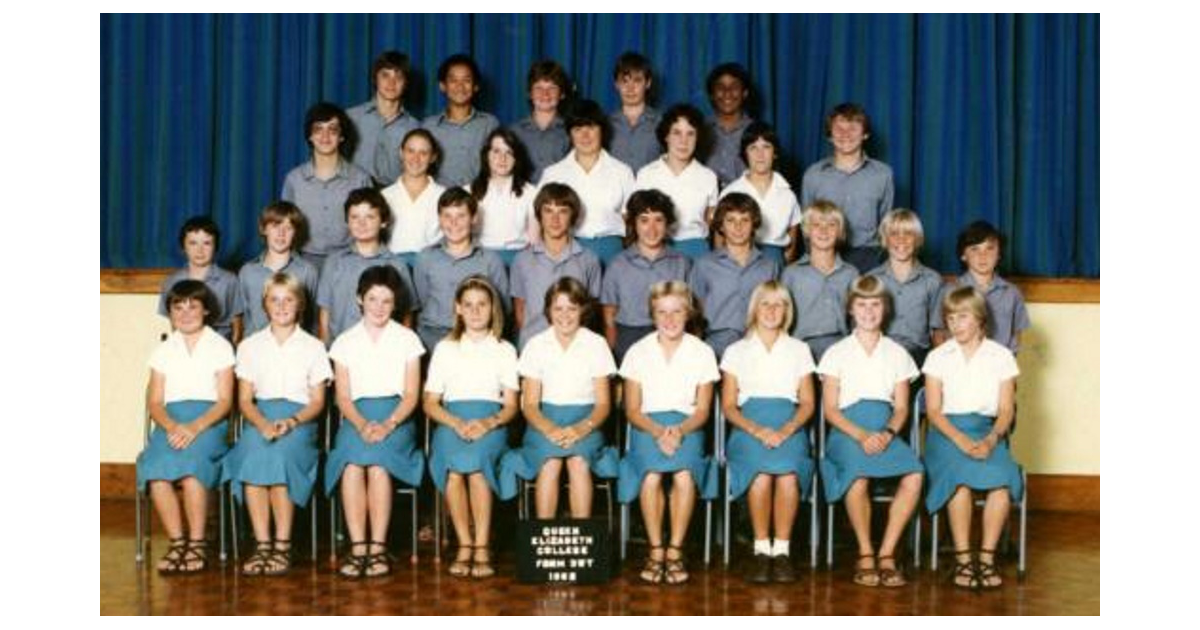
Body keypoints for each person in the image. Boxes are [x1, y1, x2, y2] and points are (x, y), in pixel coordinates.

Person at [817, 275, 924, 588]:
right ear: (851, 309)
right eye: (861, 305)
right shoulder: (836, 352)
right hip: (847, 432)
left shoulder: (897, 353)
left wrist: (887, 434)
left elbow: (901, 408)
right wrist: (862, 435)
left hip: (885, 429)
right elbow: (830, 410)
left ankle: (887, 553)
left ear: (885, 309)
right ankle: (865, 551)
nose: (868, 312)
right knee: (858, 473)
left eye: (875, 304)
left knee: (915, 473)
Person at [223, 273, 331, 576]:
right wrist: (262, 424)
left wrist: (292, 421)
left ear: (300, 305)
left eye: (289, 300)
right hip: (260, 418)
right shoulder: (250, 346)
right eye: (274, 300)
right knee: (254, 456)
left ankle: (282, 545)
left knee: (281, 457)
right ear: (265, 305)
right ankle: (263, 544)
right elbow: (245, 401)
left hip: (300, 420)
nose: (281, 306)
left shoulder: (313, 346)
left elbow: (317, 402)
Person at [324, 265, 427, 578]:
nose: (379, 307)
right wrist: (361, 424)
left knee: (379, 464)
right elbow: (343, 397)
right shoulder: (344, 341)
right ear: (360, 299)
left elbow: (412, 394)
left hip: (396, 417)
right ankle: (359, 548)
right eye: (372, 299)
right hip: (356, 418)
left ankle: (378, 548)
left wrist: (388, 424)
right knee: (353, 465)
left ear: (395, 303)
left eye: (386, 301)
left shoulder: (408, 339)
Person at [617, 281, 719, 585]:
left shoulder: (702, 352)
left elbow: (703, 410)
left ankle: (675, 550)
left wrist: (679, 431)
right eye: (662, 312)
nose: (670, 319)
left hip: (688, 426)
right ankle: (656, 550)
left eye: (677, 311)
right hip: (647, 426)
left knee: (684, 476)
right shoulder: (637, 352)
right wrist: (659, 432)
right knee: (650, 476)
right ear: (653, 315)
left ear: (688, 313)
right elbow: (632, 409)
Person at [922, 286, 1023, 589]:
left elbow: (1006, 410)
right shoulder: (938, 357)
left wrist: (992, 439)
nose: (955, 324)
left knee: (1000, 483)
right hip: (946, 434)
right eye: (950, 318)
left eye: (962, 316)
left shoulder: (1001, 356)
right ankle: (964, 560)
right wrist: (960, 441)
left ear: (979, 318)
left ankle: (987, 559)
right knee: (960, 483)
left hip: (986, 431)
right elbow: (934, 411)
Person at [719, 281, 816, 583]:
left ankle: (782, 551)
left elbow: (808, 402)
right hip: (748, 426)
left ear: (787, 311)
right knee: (760, 473)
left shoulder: (799, 349)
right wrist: (757, 430)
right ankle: (761, 550)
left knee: (787, 473)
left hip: (790, 423)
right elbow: (729, 406)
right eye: (766, 304)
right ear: (754, 308)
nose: (772, 310)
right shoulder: (736, 350)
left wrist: (787, 430)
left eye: (779, 304)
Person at [424, 276, 520, 579]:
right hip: (451, 421)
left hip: (490, 422)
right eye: (468, 305)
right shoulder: (445, 348)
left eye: (482, 304)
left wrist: (488, 423)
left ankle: (482, 546)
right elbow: (430, 403)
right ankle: (464, 544)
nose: (475, 311)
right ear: (458, 308)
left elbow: (511, 406)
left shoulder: (504, 349)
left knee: (477, 467)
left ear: (493, 308)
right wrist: (456, 423)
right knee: (454, 471)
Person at [137, 280, 235, 574]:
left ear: (206, 310)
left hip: (208, 423)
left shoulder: (220, 347)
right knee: (156, 470)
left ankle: (197, 543)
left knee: (193, 469)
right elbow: (155, 402)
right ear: (170, 313)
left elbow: (225, 401)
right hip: (170, 423)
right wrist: (171, 427)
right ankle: (178, 541)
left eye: (193, 307)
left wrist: (194, 427)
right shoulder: (164, 350)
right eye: (178, 308)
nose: (186, 313)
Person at [499, 277, 619, 518]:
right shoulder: (536, 345)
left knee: (578, 462)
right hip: (543, 421)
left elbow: (604, 404)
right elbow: (530, 405)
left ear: (582, 310)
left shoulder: (596, 344)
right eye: (558, 308)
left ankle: (581, 532)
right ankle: (545, 533)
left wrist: (581, 429)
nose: (565, 315)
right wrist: (550, 429)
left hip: (587, 420)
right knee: (550, 462)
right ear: (548, 311)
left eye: (572, 308)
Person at [539, 99, 635, 266]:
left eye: (591, 127)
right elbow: (540, 219)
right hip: (568, 248)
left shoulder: (622, 172)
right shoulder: (553, 173)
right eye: (577, 129)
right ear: (570, 134)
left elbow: (631, 219)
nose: (585, 135)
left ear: (601, 130)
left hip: (611, 250)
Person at [800, 103, 894, 273]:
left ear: (865, 134)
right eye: (839, 129)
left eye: (853, 128)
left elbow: (886, 223)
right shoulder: (813, 174)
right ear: (830, 135)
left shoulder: (883, 174)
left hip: (869, 257)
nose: (846, 134)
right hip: (825, 254)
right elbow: (806, 224)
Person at [413, 187, 509, 352]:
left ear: (474, 218)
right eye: (447, 216)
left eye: (461, 216)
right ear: (439, 219)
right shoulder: (425, 258)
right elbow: (422, 301)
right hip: (432, 338)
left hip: (476, 338)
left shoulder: (490, 260)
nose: (454, 223)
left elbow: (503, 308)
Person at [600, 189, 691, 363]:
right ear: (633, 224)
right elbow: (609, 317)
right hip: (629, 338)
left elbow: (690, 313)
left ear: (667, 223)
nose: (652, 228)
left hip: (671, 335)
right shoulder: (618, 264)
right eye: (644, 220)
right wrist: (611, 359)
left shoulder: (681, 263)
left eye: (658, 220)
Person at [316, 187, 416, 346]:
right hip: (341, 350)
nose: (361, 223)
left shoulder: (397, 265)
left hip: (383, 349)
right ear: (347, 222)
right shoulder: (334, 262)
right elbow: (325, 313)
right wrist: (325, 350)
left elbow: (406, 316)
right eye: (354, 217)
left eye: (370, 216)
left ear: (383, 221)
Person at [510, 183, 602, 349]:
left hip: (575, 347)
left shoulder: (589, 260)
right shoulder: (522, 260)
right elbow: (520, 311)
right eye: (548, 211)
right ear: (539, 215)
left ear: (573, 216)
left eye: (563, 211)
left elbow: (591, 311)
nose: (555, 219)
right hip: (533, 346)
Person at [281, 102, 374, 268]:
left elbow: (371, 225)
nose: (325, 136)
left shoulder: (360, 179)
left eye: (332, 129)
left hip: (350, 261)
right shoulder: (294, 180)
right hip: (304, 262)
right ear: (310, 136)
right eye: (318, 129)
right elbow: (285, 225)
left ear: (341, 136)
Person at [688, 193, 780, 359]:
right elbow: (694, 311)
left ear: (754, 224)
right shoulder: (704, 264)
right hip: (717, 344)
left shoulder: (769, 266)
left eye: (745, 220)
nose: (738, 227)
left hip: (758, 343)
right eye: (731, 220)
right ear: (721, 226)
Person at [932, 220, 1030, 354]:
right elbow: (938, 334)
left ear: (999, 254)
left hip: (998, 364)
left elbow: (1016, 337)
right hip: (958, 364)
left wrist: (1007, 363)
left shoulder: (1012, 293)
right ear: (963, 255)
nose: (983, 256)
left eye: (990, 248)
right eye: (974, 249)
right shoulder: (949, 290)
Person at [634, 104, 719, 260]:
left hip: (697, 252)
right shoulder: (646, 175)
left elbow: (712, 224)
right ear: (666, 136)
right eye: (677, 133)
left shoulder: (708, 177)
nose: (683, 141)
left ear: (698, 138)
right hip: (657, 250)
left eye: (690, 134)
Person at [781, 200, 860, 362]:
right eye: (816, 225)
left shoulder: (851, 274)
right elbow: (782, 319)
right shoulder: (791, 274)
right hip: (801, 349)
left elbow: (857, 319)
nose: (824, 230)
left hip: (841, 348)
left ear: (840, 232)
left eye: (831, 225)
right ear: (807, 231)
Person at [719, 121, 802, 265]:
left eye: (766, 147)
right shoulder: (731, 191)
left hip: (775, 262)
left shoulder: (788, 195)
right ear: (745, 153)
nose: (760, 154)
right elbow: (720, 239)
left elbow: (792, 244)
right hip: (738, 262)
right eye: (753, 148)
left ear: (775, 153)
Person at [867, 209, 942, 366]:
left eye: (908, 233)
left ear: (917, 239)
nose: (901, 240)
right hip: (879, 355)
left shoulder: (932, 280)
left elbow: (938, 330)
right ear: (885, 239)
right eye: (894, 234)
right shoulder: (872, 279)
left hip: (918, 356)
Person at [158, 216, 244, 344]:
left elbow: (237, 324)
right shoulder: (171, 282)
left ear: (215, 246)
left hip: (220, 347)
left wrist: (232, 350)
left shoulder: (229, 281)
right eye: (193, 243)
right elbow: (174, 322)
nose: (200, 250)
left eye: (207, 243)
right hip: (186, 346)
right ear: (183, 247)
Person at [237, 201, 319, 334]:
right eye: (275, 226)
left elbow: (312, 320)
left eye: (288, 228)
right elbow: (243, 318)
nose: (281, 233)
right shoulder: (247, 272)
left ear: (295, 233)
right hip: (256, 344)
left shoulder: (307, 272)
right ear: (264, 229)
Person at [422, 54, 500, 187]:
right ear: (442, 86)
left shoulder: (489, 124)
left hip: (479, 196)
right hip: (440, 197)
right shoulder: (428, 126)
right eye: (453, 80)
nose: (460, 86)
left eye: (466, 80)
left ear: (476, 86)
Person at [347, 50, 420, 186]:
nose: (391, 82)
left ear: (406, 83)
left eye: (399, 77)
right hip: (356, 194)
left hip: (396, 195)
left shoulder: (414, 127)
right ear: (375, 79)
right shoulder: (351, 118)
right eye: (385, 75)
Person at [469, 128, 538, 267]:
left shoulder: (531, 192)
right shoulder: (469, 191)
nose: (502, 158)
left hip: (518, 259)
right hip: (481, 258)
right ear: (486, 155)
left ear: (516, 158)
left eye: (509, 153)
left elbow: (534, 240)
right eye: (496, 151)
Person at [381, 128, 446, 268]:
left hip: (432, 267)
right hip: (392, 268)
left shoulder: (444, 196)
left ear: (433, 157)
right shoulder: (384, 196)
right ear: (401, 153)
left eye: (423, 153)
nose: (416, 158)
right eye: (410, 151)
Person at [510, 59, 571, 182]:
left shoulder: (570, 131)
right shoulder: (514, 132)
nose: (545, 94)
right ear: (529, 93)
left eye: (552, 88)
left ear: (562, 94)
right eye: (538, 88)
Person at [608, 51, 662, 174]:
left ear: (648, 83)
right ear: (616, 84)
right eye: (624, 81)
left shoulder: (662, 122)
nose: (630, 88)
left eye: (637, 81)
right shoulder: (605, 124)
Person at [704, 62, 755, 187]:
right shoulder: (698, 131)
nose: (727, 93)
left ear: (745, 93)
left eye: (734, 87)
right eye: (720, 87)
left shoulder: (756, 132)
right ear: (712, 95)